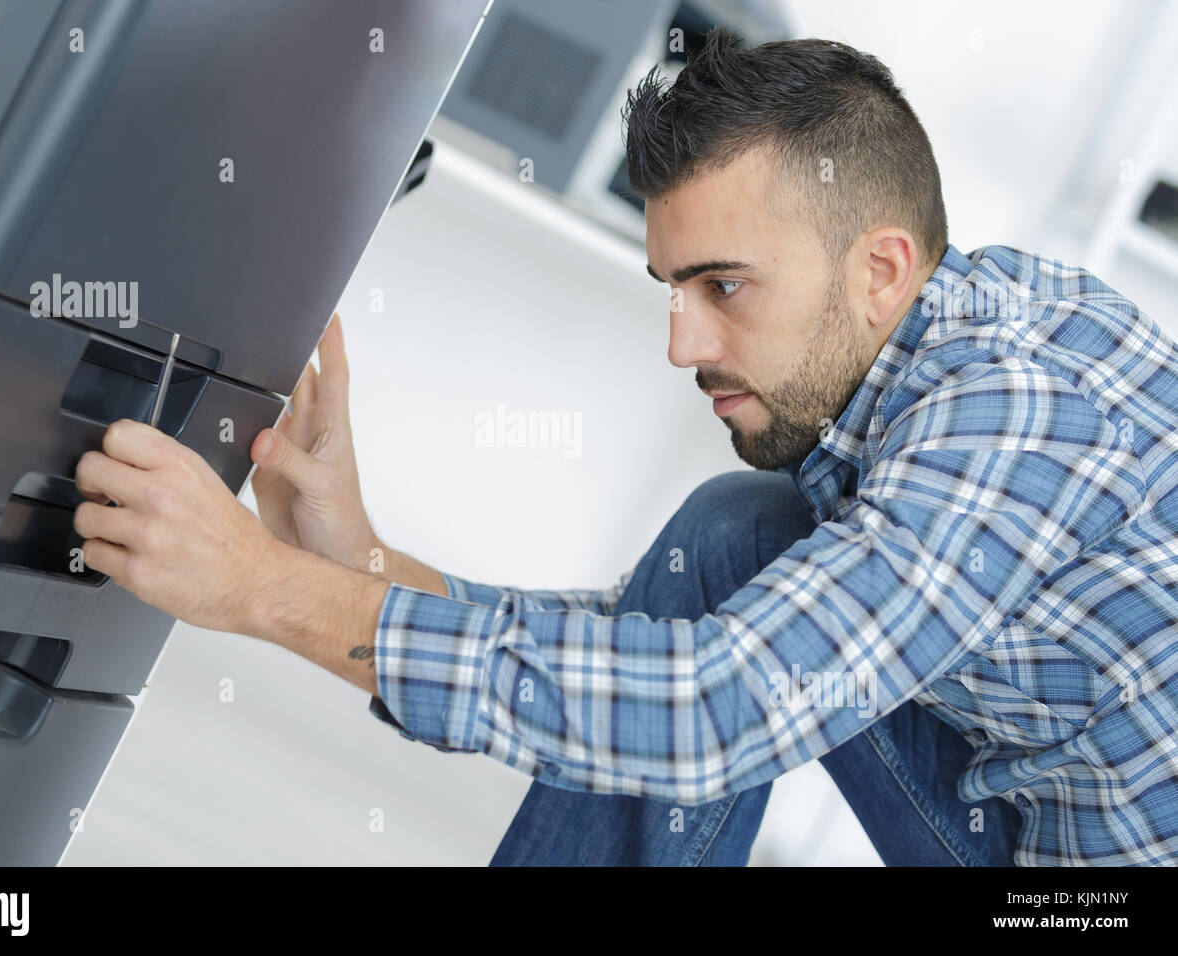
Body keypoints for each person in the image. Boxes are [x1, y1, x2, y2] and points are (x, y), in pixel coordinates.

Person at [72, 31, 1178, 866]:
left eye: (724, 286)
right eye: (673, 289)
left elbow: (706, 709)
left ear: (880, 269)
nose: (679, 342)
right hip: (1038, 829)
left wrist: (260, 591)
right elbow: (677, 647)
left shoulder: (1011, 417)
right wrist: (348, 564)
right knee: (737, 538)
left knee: (722, 602)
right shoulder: (946, 323)